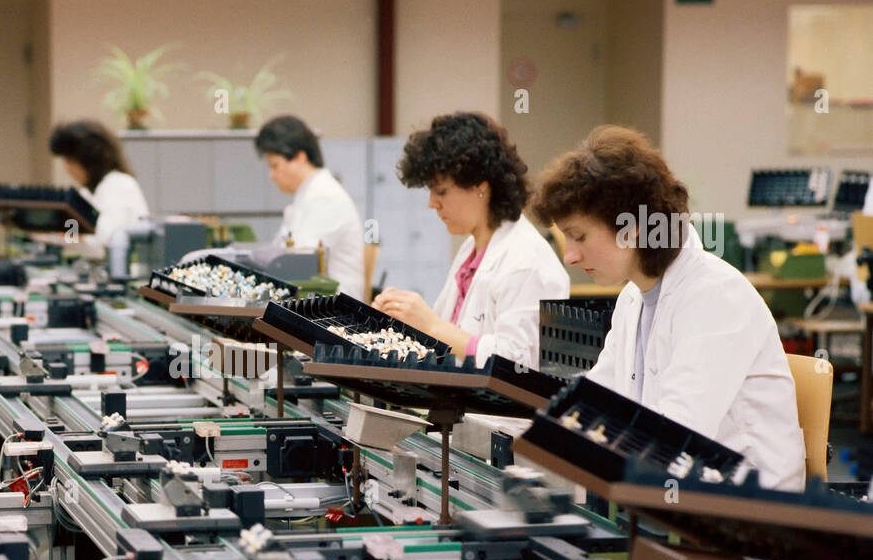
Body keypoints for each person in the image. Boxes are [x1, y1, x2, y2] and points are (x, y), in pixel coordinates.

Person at [531, 125, 806, 492]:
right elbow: (597, 397)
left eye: (579, 236)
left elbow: (676, 437)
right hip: (674, 498)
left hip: (748, 516)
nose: (570, 255)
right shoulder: (634, 297)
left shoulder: (715, 298)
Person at [372, 112, 569, 369]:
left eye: (441, 191)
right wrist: (401, 318)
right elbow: (445, 341)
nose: (432, 203)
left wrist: (430, 323)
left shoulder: (527, 261)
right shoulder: (472, 250)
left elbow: (518, 364)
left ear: (480, 187)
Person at [256, 115, 366, 299]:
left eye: (275, 165)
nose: (271, 175)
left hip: (333, 310)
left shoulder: (324, 197)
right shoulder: (308, 194)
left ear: (299, 157)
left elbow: (296, 265)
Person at [49, 120, 150, 260]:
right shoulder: (90, 191)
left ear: (89, 159)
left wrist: (56, 237)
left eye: (70, 160)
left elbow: (102, 244)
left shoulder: (119, 185)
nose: (67, 169)